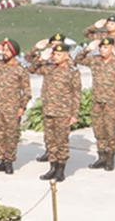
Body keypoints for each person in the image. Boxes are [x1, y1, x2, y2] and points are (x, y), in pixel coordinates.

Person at [26, 37, 83, 180]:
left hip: (64, 112)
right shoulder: (49, 68)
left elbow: (76, 93)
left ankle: (61, 170)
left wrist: (74, 114)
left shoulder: (72, 71)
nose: (55, 57)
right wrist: (40, 58)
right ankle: (52, 167)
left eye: (58, 54)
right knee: (50, 140)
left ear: (66, 55)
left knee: (62, 142)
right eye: (54, 54)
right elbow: (31, 69)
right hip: (49, 110)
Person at [0, 37, 32, 173]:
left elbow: (27, 92)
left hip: (13, 108)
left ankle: (9, 161)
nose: (4, 52)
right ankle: (0, 160)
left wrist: (22, 107)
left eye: (8, 50)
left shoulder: (20, 70)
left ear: (14, 52)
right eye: (3, 50)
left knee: (11, 135)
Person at [83, 34, 115, 171]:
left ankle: (110, 158)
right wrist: (87, 49)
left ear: (112, 48)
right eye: (101, 47)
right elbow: (78, 60)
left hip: (112, 102)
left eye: (105, 47)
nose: (102, 50)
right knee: (98, 130)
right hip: (97, 101)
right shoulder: (94, 60)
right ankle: (101, 156)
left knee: (110, 131)